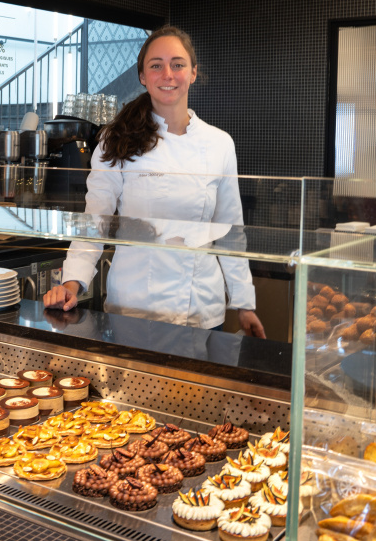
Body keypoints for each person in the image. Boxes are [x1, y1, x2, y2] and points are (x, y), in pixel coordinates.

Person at [43, 26, 265, 338]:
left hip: (203, 307)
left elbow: (231, 230)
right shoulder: (115, 139)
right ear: (143, 76)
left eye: (178, 64)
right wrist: (72, 283)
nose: (168, 74)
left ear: (193, 73)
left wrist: (244, 303)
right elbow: (94, 221)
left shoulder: (219, 143)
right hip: (136, 306)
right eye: (156, 65)